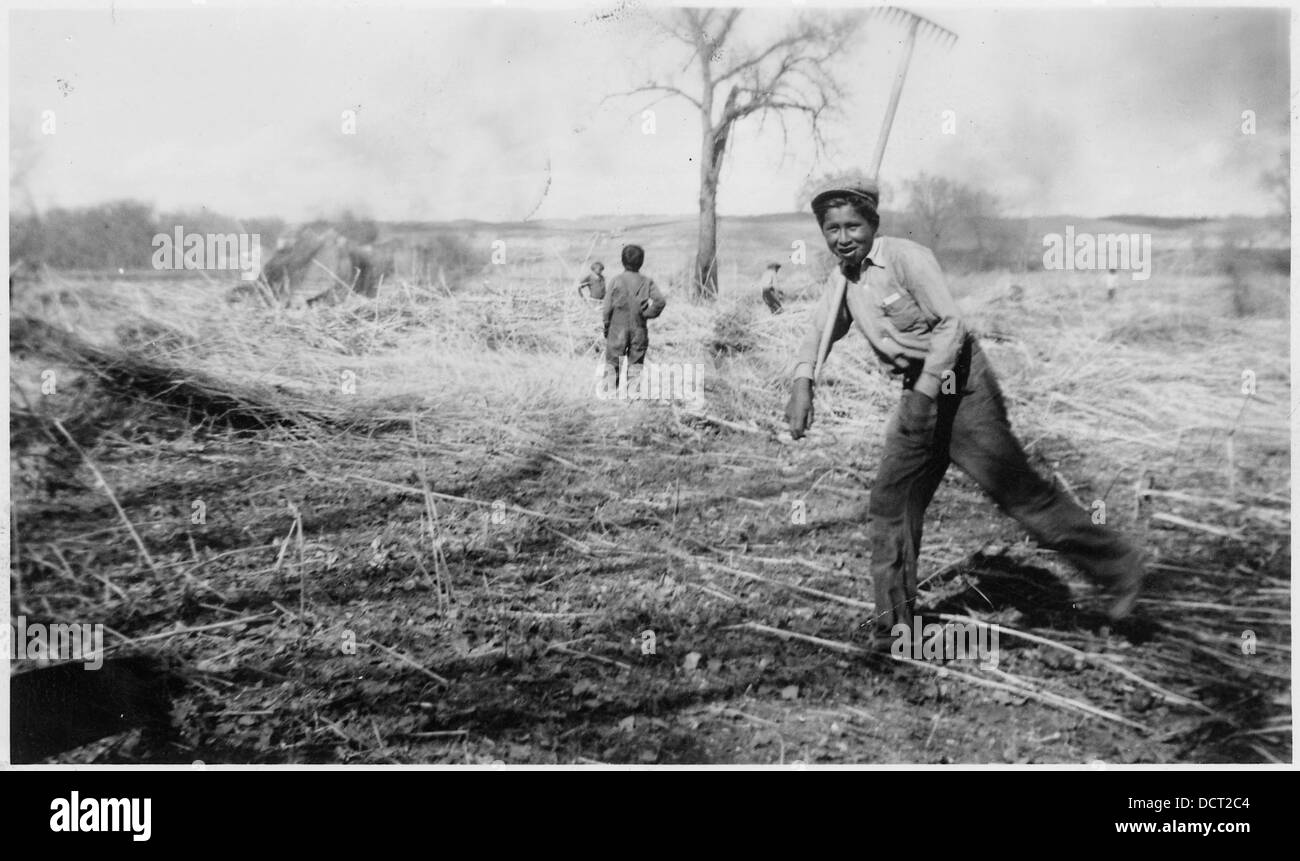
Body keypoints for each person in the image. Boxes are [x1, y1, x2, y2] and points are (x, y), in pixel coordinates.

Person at [783, 181, 1145, 645]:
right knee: (892, 503)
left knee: (1019, 496)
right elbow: (818, 332)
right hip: (917, 392)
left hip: (961, 389)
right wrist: (802, 382)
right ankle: (896, 625)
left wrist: (925, 394)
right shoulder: (843, 281)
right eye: (832, 229)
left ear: (874, 224)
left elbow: (951, 325)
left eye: (853, 225)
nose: (843, 237)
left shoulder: (906, 259)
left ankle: (1120, 566)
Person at [603, 244, 666, 392]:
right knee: (636, 363)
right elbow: (660, 302)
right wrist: (647, 314)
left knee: (613, 363)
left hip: (617, 328)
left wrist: (607, 325)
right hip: (639, 328)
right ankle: (632, 394)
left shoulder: (616, 280)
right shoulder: (647, 281)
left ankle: (610, 395)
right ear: (641, 261)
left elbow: (606, 308)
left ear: (622, 261)